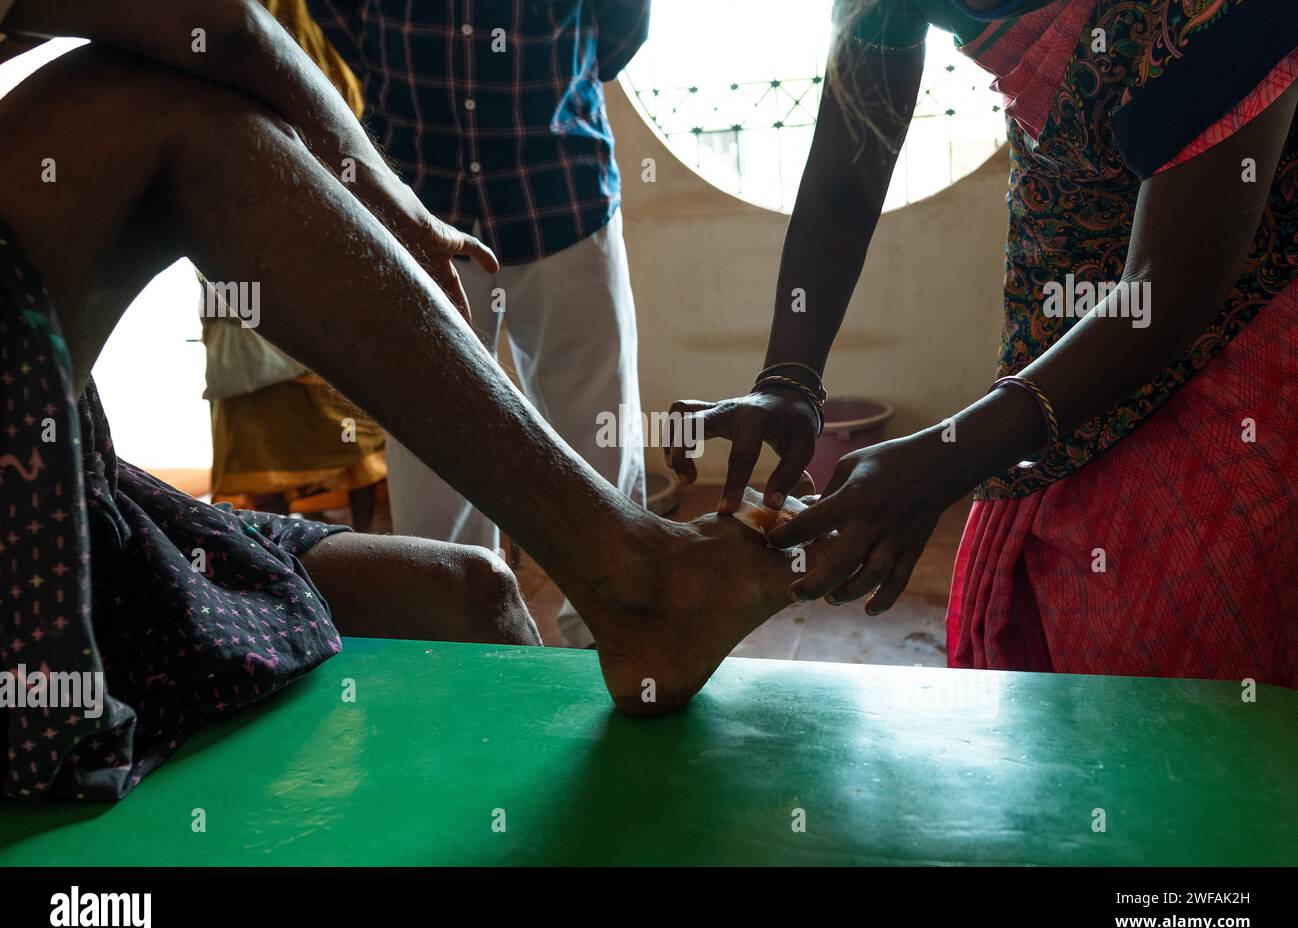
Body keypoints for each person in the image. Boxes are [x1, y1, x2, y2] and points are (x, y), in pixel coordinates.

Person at [0, 0, 806, 801]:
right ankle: (635, 576)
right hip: (426, 185)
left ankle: (616, 599)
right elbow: (218, 24)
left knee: (473, 589)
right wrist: (386, 197)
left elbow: (619, 30)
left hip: (555, 194)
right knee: (144, 103)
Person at [669, 0, 1298, 688]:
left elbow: (1166, 291)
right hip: (1063, 318)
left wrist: (944, 461)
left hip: (1245, 325)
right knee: (1057, 633)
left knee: (1177, 650)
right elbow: (848, 179)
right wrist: (787, 380)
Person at [308, 1, 652, 646]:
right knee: (432, 451)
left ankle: (611, 633)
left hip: (563, 198)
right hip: (417, 209)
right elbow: (339, 19)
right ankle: (461, 642)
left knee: (597, 435)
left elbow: (621, 29)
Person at [203, 0, 387, 530]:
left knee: (341, 394)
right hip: (234, 216)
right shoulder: (218, 20)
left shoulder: (327, 19)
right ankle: (285, 547)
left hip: (326, 216)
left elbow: (347, 108)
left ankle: (351, 540)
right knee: (260, 402)